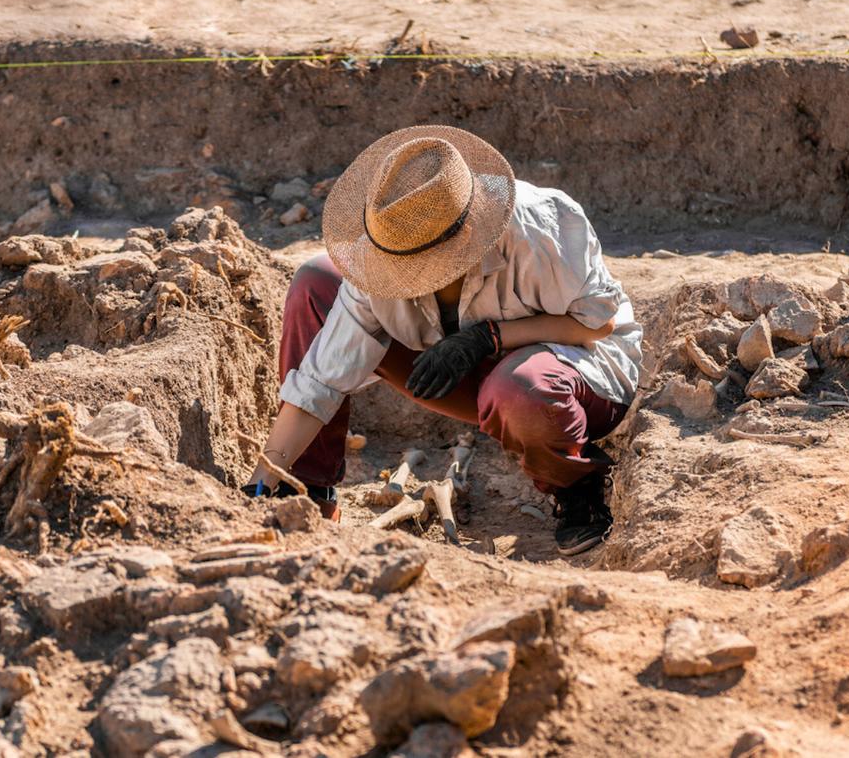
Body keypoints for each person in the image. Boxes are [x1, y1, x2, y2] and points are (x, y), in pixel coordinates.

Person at [242, 125, 642, 555]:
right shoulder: (385, 246)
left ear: (466, 236)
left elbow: (597, 324)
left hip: (576, 373)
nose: (405, 279)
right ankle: (305, 491)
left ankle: (577, 485)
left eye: (423, 265)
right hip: (462, 376)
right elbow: (321, 377)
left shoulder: (541, 227)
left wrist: (488, 338)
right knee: (317, 281)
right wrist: (267, 477)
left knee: (519, 388)